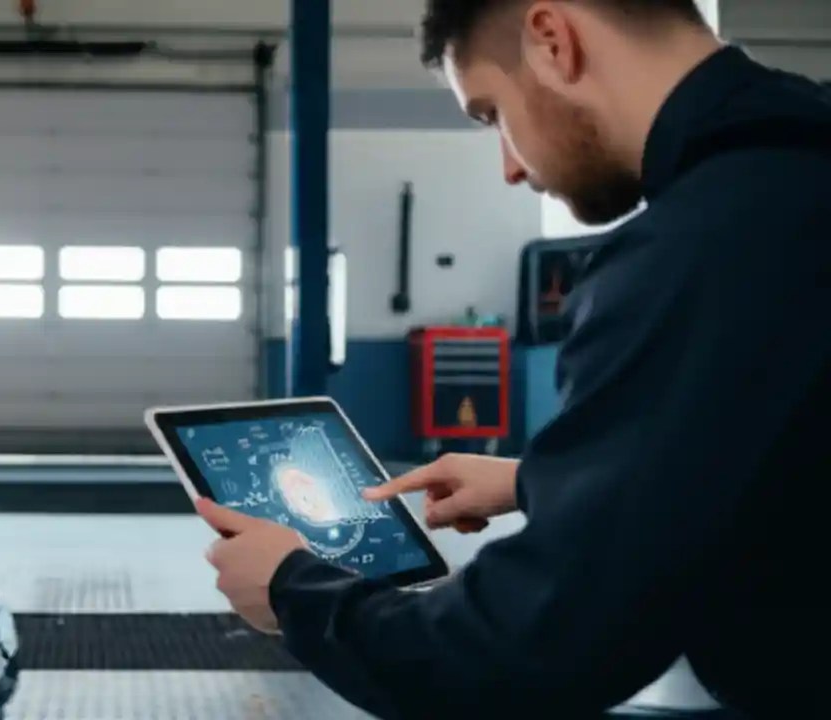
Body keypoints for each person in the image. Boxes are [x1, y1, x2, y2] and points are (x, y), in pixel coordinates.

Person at [195, 0, 831, 717]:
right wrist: (547, 480)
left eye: (491, 114)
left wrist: (292, 589)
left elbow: (520, 655)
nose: (508, 167)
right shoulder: (798, 172)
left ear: (553, 39)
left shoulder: (695, 250)